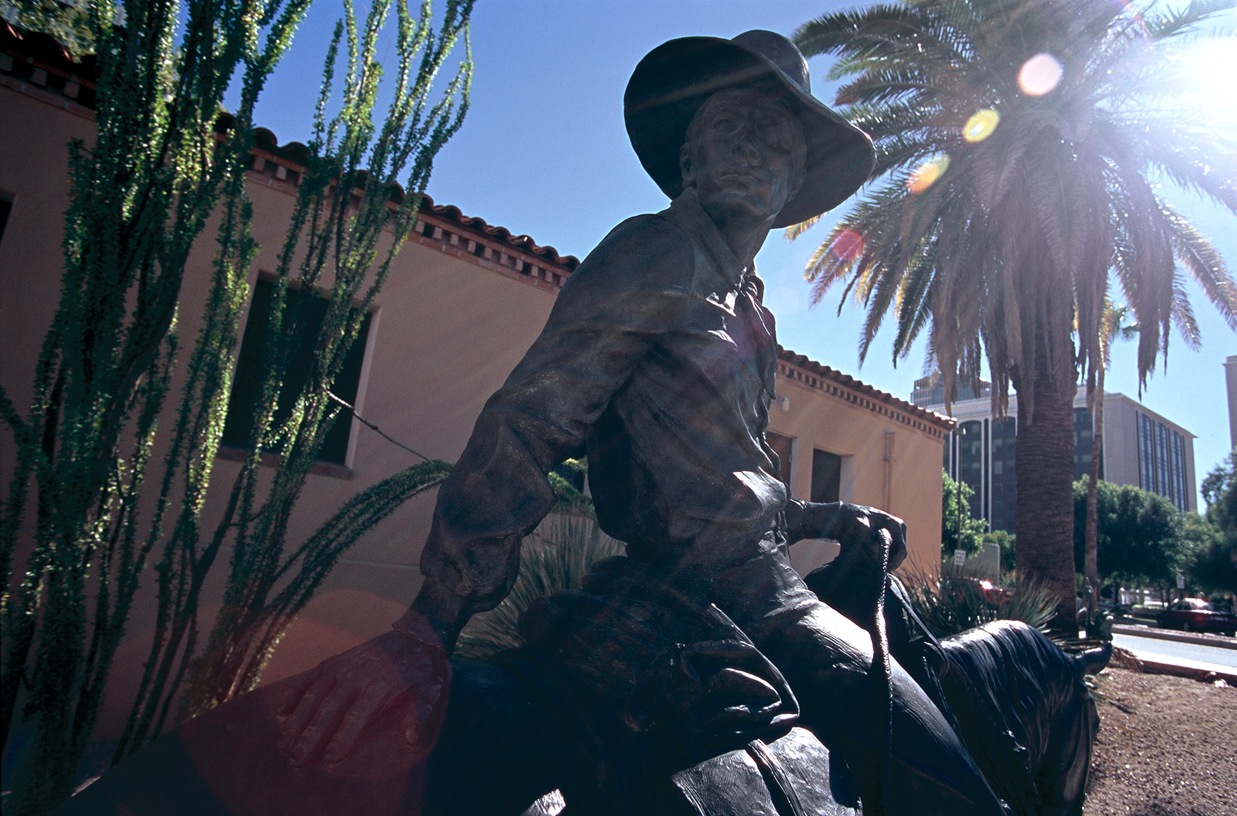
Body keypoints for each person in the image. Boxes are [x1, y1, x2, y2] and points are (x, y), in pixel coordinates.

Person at [278, 30, 1005, 815]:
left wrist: (830, 514)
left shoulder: (753, 314)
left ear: (790, 181)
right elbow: (530, 419)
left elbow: (732, 482)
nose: (741, 147)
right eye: (721, 129)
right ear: (688, 162)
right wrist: (432, 620)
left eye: (768, 136)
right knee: (949, 785)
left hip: (761, 570)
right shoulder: (654, 251)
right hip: (737, 593)